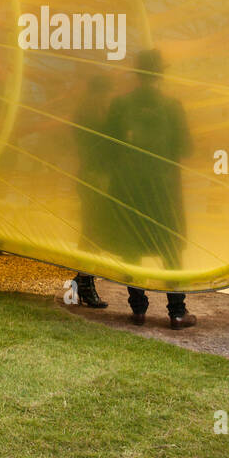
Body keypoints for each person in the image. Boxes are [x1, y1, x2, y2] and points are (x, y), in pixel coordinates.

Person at [104, 49, 196, 330]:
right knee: (169, 247)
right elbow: (186, 148)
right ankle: (177, 312)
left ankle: (138, 309)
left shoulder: (120, 104)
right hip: (164, 187)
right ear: (161, 74)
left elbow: (108, 145)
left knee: (132, 244)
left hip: (129, 185)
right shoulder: (172, 106)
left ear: (138, 72)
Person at [70, 76, 114, 308]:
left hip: (89, 175)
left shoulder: (86, 111)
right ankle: (85, 284)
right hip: (95, 178)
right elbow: (101, 146)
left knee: (91, 232)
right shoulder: (94, 114)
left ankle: (81, 281)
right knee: (91, 233)